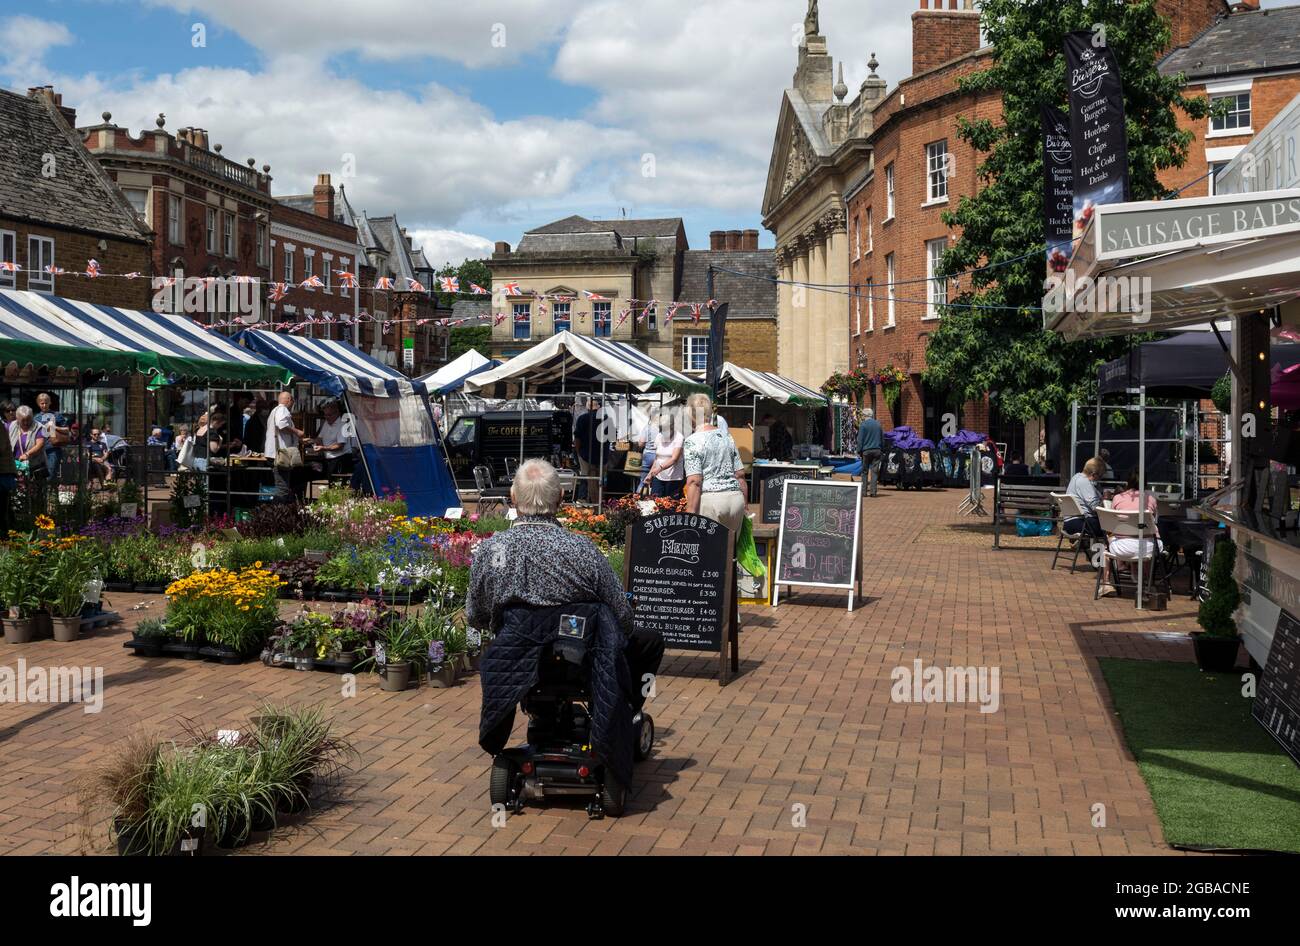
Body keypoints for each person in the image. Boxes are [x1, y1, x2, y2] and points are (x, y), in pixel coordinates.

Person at [467, 458, 663, 707]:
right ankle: (630, 706)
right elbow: (622, 616)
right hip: (578, 656)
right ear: (561, 497)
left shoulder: (491, 550)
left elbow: (475, 616)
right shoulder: (583, 549)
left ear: (513, 497)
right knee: (651, 642)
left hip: (514, 657)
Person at [683, 393, 748, 535]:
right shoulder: (727, 437)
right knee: (731, 554)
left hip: (712, 501)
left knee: (709, 554)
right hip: (735, 500)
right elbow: (740, 474)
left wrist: (689, 516)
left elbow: (695, 481)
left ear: (691, 415)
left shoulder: (692, 441)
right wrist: (745, 506)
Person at [1099, 469, 1162, 597]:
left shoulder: (1117, 498)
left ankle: (1106, 583)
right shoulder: (1151, 498)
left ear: (1128, 482)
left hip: (1123, 547)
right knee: (1150, 539)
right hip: (1148, 549)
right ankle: (1148, 582)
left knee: (1105, 546)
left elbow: (1112, 523)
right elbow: (1154, 520)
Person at [265, 390, 305, 502]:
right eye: (292, 401)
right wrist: (297, 432)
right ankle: (276, 514)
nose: (292, 404)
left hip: (277, 453)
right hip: (280, 455)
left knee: (283, 487)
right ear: (289, 400)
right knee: (282, 488)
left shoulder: (276, 410)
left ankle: (278, 512)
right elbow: (281, 424)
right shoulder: (282, 409)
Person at [645, 408, 685, 499]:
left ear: (672, 426)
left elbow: (674, 458)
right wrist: (650, 474)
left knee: (671, 507)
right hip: (658, 478)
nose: (663, 431)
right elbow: (657, 458)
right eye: (661, 428)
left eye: (665, 428)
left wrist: (660, 468)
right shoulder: (659, 436)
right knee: (655, 504)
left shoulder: (679, 437)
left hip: (674, 479)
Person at [307, 399, 353, 478]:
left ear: (337, 414)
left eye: (329, 415)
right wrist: (311, 441)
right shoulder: (326, 423)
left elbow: (339, 446)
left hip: (341, 459)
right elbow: (320, 438)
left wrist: (323, 448)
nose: (326, 417)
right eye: (325, 415)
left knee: (337, 485)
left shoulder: (343, 425)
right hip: (330, 459)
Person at [1065, 456, 1106, 540]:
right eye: (1100, 476)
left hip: (1070, 523)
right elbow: (1096, 507)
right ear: (1094, 474)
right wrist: (1106, 498)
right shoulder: (1085, 482)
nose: (1100, 479)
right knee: (1112, 526)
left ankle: (1095, 548)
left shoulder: (1076, 477)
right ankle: (1105, 549)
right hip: (1082, 523)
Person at [33, 392, 69, 482]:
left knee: (51, 474)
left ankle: (50, 494)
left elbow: (67, 430)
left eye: (46, 403)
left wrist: (55, 427)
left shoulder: (56, 415)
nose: (44, 405)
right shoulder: (35, 418)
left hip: (53, 449)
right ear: (38, 404)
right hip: (39, 450)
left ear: (50, 403)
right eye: (42, 403)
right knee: (39, 474)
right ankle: (43, 494)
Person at [573, 397, 601, 502]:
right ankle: (597, 501)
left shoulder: (582, 419)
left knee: (589, 479)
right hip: (601, 455)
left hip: (586, 454)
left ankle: (591, 501)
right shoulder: (606, 418)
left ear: (587, 408)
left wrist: (579, 452)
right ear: (598, 407)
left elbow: (577, 438)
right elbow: (611, 438)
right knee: (600, 480)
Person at [856, 407, 883, 498]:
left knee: (864, 472)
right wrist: (882, 449)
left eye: (862, 415)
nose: (862, 417)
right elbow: (882, 438)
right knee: (875, 472)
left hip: (866, 451)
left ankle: (864, 492)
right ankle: (873, 492)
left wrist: (858, 451)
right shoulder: (878, 424)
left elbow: (860, 440)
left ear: (865, 415)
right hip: (877, 450)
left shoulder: (863, 425)